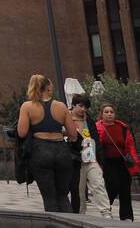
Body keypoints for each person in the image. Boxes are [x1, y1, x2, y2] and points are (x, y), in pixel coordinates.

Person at [17, 74, 78, 213]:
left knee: (49, 198)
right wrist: (57, 131)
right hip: (62, 151)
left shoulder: (27, 106)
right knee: (63, 196)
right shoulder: (61, 106)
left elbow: (21, 132)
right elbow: (73, 134)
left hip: (40, 151)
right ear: (48, 87)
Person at [70, 96, 109, 218]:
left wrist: (99, 159)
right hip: (76, 159)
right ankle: (80, 214)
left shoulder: (89, 120)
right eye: (80, 106)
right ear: (74, 105)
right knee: (79, 189)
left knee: (98, 184)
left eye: (85, 107)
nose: (83, 109)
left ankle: (106, 213)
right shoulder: (67, 118)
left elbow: (96, 139)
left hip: (91, 158)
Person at [96, 103, 137, 221]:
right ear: (101, 114)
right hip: (107, 162)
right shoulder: (98, 127)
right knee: (111, 186)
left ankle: (127, 217)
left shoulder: (122, 128)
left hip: (122, 162)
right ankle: (106, 210)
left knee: (125, 189)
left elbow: (130, 146)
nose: (109, 114)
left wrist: (134, 161)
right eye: (106, 112)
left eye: (111, 112)